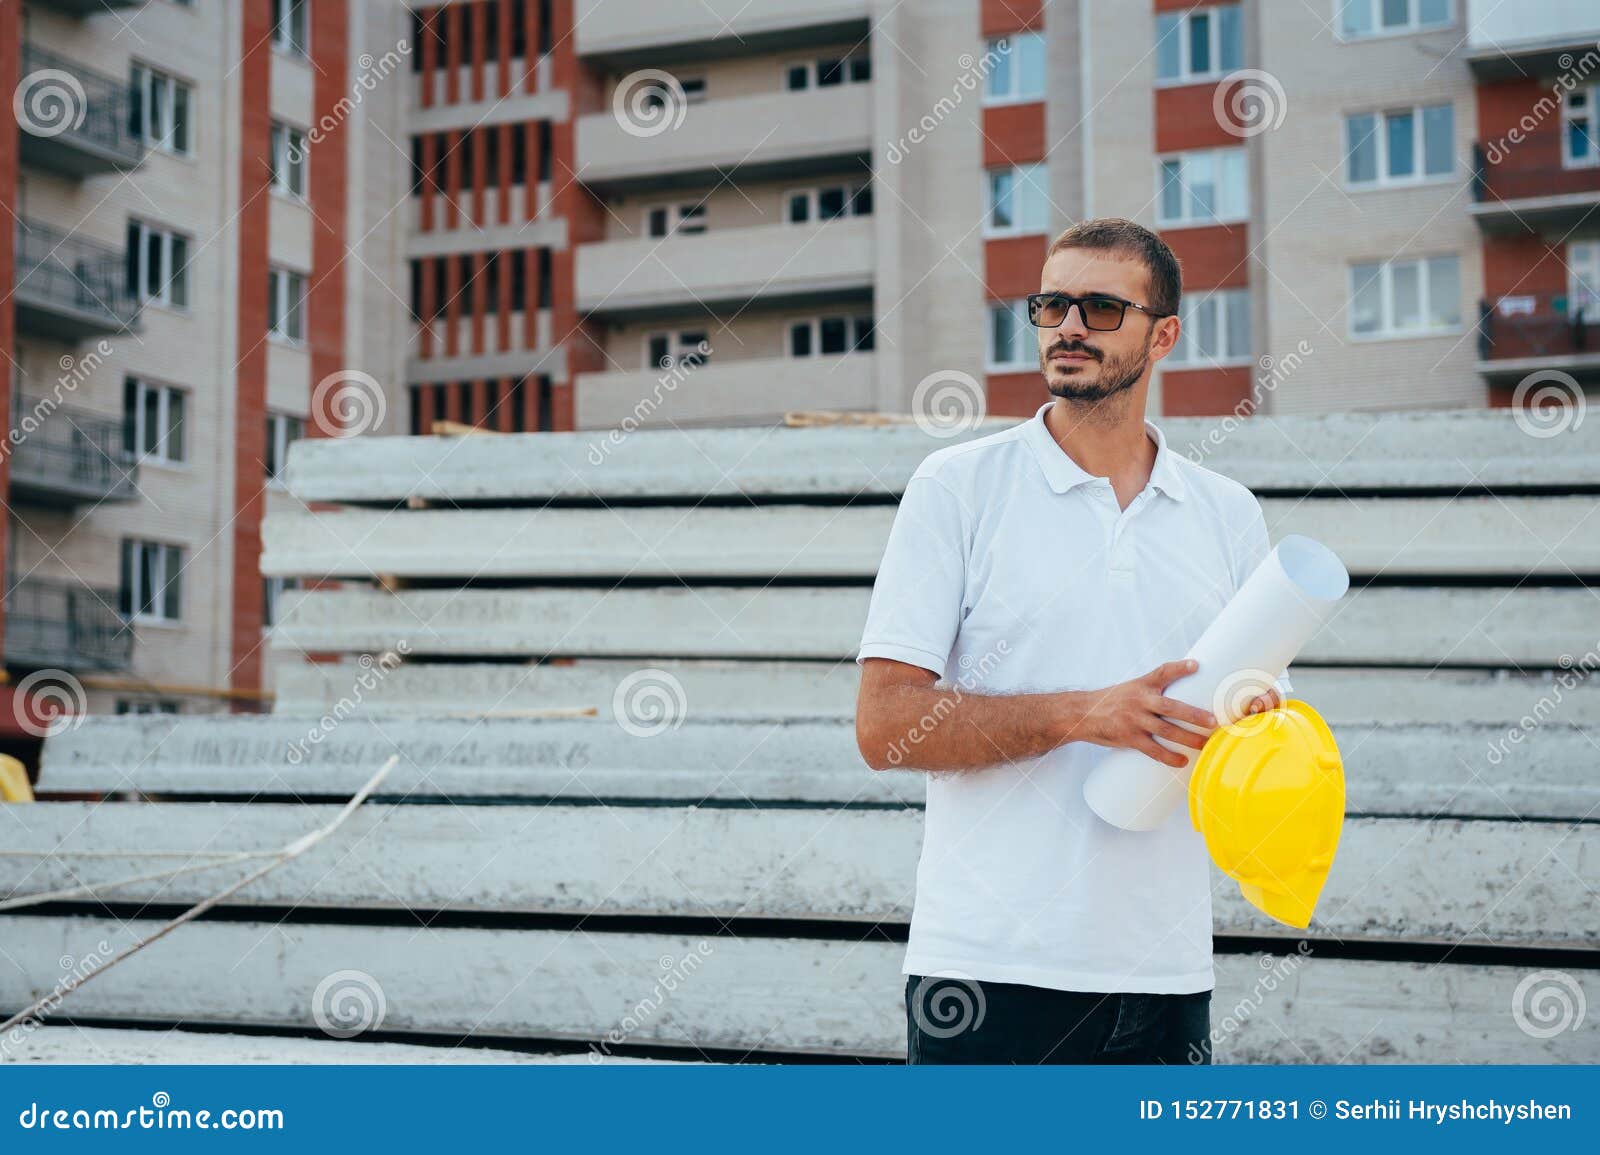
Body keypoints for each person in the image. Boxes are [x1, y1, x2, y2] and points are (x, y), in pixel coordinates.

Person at [854, 218, 1290, 1065]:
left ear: (1162, 335)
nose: (1069, 327)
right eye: (1053, 304)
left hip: (1164, 974)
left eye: (1099, 306)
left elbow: (1245, 736)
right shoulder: (958, 487)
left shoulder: (1227, 513)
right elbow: (884, 725)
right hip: (988, 971)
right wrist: (1084, 713)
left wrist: (1258, 726)